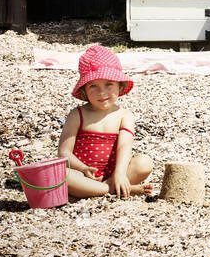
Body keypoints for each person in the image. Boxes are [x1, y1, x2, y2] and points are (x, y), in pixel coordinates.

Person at [58, 44, 154, 198]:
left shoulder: (124, 115)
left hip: (115, 173)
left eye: (108, 84)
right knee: (61, 173)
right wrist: (83, 168)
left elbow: (124, 147)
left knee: (145, 163)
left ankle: (114, 184)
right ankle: (110, 189)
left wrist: (120, 173)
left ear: (120, 86)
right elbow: (64, 152)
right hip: (82, 175)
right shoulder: (77, 114)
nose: (101, 92)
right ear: (84, 90)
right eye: (93, 86)